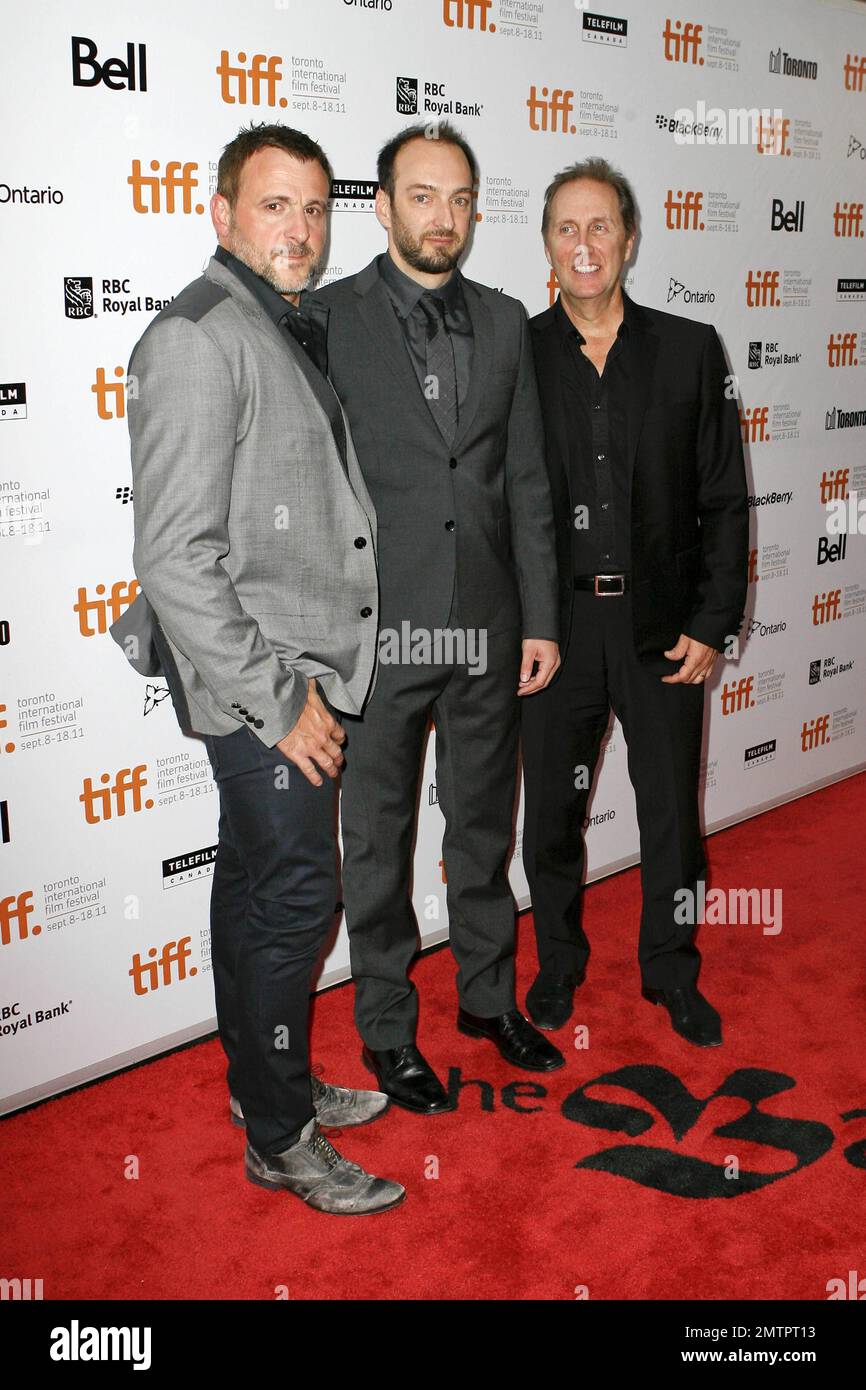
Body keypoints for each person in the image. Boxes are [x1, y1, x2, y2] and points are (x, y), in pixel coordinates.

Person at [117, 123, 404, 1215]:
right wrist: (283, 702)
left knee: (251, 885)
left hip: (283, 669)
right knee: (293, 898)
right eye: (275, 204)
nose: (299, 228)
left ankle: (260, 1085)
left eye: (315, 207)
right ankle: (280, 1135)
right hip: (260, 679)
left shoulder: (268, 321)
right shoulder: (197, 335)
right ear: (222, 212)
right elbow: (174, 557)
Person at [317, 122, 563, 1115]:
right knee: (374, 839)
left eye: (459, 198)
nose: (443, 217)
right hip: (376, 633)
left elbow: (531, 482)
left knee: (477, 826)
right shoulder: (325, 320)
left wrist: (539, 618)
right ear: (378, 206)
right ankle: (384, 1029)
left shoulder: (507, 321)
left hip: (487, 621)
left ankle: (485, 998)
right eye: (421, 196)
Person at [521, 157, 748, 1046]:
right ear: (546, 244)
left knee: (671, 817)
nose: (585, 245)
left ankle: (672, 969)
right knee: (552, 817)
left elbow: (725, 498)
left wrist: (712, 619)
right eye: (567, 228)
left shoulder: (691, 349)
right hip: (556, 631)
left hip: (663, 631)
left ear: (629, 239)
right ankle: (558, 966)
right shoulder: (520, 355)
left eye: (601, 227)